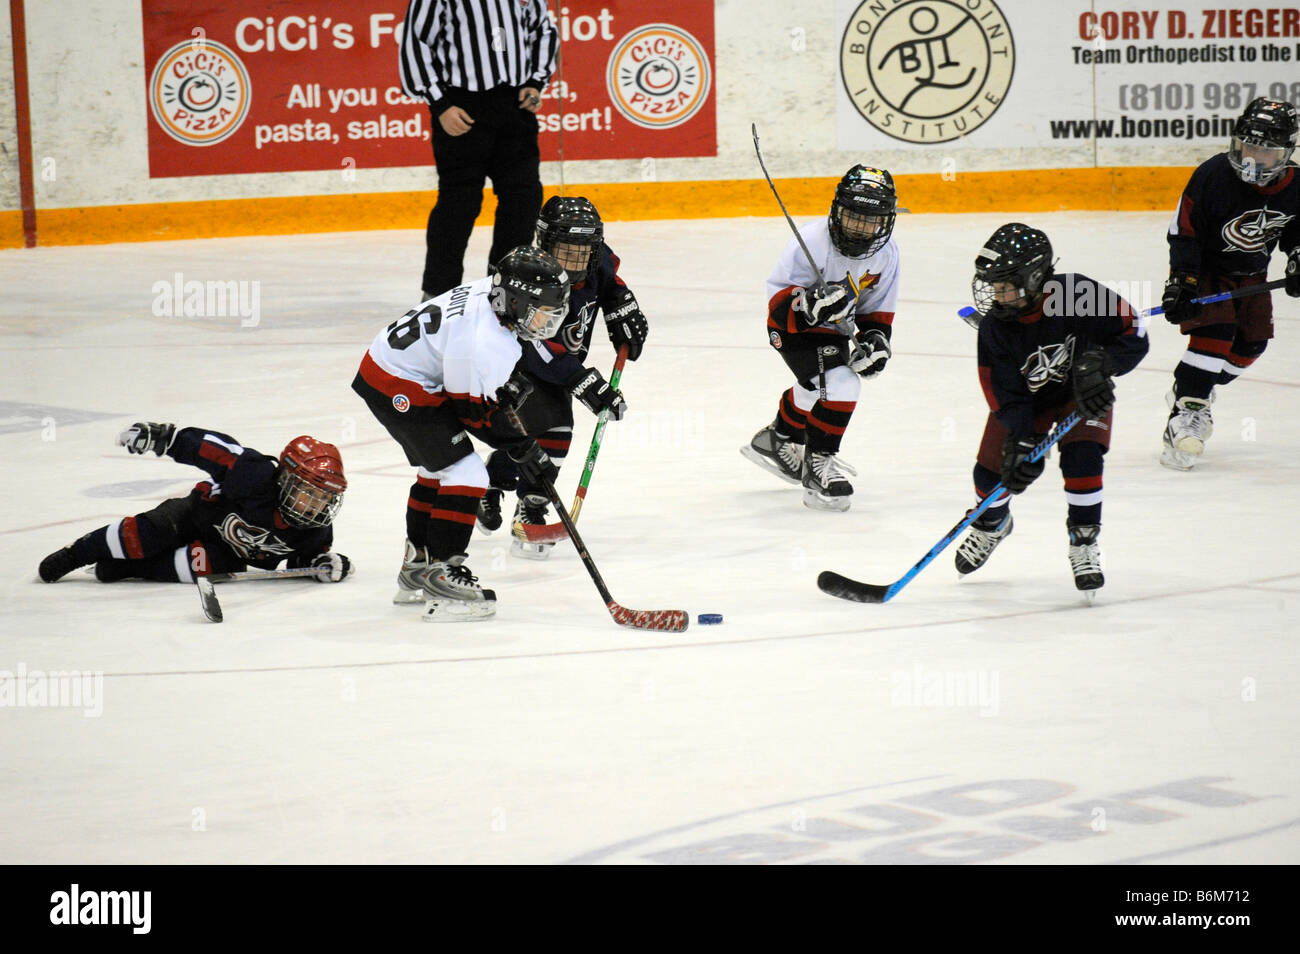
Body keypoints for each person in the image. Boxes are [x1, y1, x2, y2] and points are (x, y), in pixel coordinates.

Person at [351, 245, 569, 621]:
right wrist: (521, 447)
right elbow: (473, 415)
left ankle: (416, 566)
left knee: (437, 469)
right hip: (398, 382)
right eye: (541, 314)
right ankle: (443, 575)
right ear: (515, 301)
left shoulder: (494, 295)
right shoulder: (482, 340)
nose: (545, 324)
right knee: (467, 472)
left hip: (392, 366)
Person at [954, 223, 1148, 595]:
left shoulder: (1076, 292)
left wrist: (1105, 364)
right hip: (1031, 401)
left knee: (1083, 458)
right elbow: (1003, 394)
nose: (997, 295)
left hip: (1082, 393)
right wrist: (1021, 438)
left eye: (1005, 285)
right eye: (993, 286)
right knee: (989, 474)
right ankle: (992, 522)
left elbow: (1133, 330)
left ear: (1033, 278)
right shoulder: (995, 327)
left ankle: (1084, 540)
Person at [475, 196, 644, 558]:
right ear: (546, 243)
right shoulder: (530, 277)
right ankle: (532, 506)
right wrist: (579, 379)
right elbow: (530, 343)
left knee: (530, 434)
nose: (575, 262)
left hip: (562, 364)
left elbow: (612, 282)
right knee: (554, 430)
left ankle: (492, 480)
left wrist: (622, 306)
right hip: (518, 366)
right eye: (566, 252)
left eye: (583, 252)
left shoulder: (597, 260)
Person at [741, 165, 902, 512]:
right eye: (852, 216)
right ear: (837, 210)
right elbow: (777, 308)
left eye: (870, 219)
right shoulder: (813, 240)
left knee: (819, 385)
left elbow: (876, 315)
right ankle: (818, 468)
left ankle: (776, 438)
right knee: (843, 384)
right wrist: (810, 306)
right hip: (792, 330)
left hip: (833, 333)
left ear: (886, 221)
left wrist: (875, 343)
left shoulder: (887, 255)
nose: (860, 227)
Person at [1160, 97, 1300, 470]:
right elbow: (1184, 232)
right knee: (1215, 335)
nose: (1253, 156)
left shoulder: (1296, 186)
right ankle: (1186, 414)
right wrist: (1183, 282)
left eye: (1265, 150)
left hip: (1251, 276)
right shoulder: (1213, 175)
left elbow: (1296, 232)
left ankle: (1192, 387)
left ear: (1285, 152)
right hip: (1207, 273)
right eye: (1248, 145)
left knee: (1250, 345)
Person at [38, 425, 350, 585]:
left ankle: (129, 568)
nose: (315, 505)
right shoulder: (255, 475)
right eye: (308, 492)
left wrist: (327, 565)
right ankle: (75, 554)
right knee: (147, 533)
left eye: (324, 498)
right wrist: (167, 439)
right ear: (285, 478)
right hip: (195, 516)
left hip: (226, 552)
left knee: (202, 566)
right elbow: (212, 449)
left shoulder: (316, 530)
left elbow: (301, 564)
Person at [400, 0, 560, 299]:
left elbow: (543, 30)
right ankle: (438, 291)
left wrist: (535, 81)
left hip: (515, 105)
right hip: (462, 106)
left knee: (523, 196)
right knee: (460, 201)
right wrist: (440, 104)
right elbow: (416, 42)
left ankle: (506, 286)